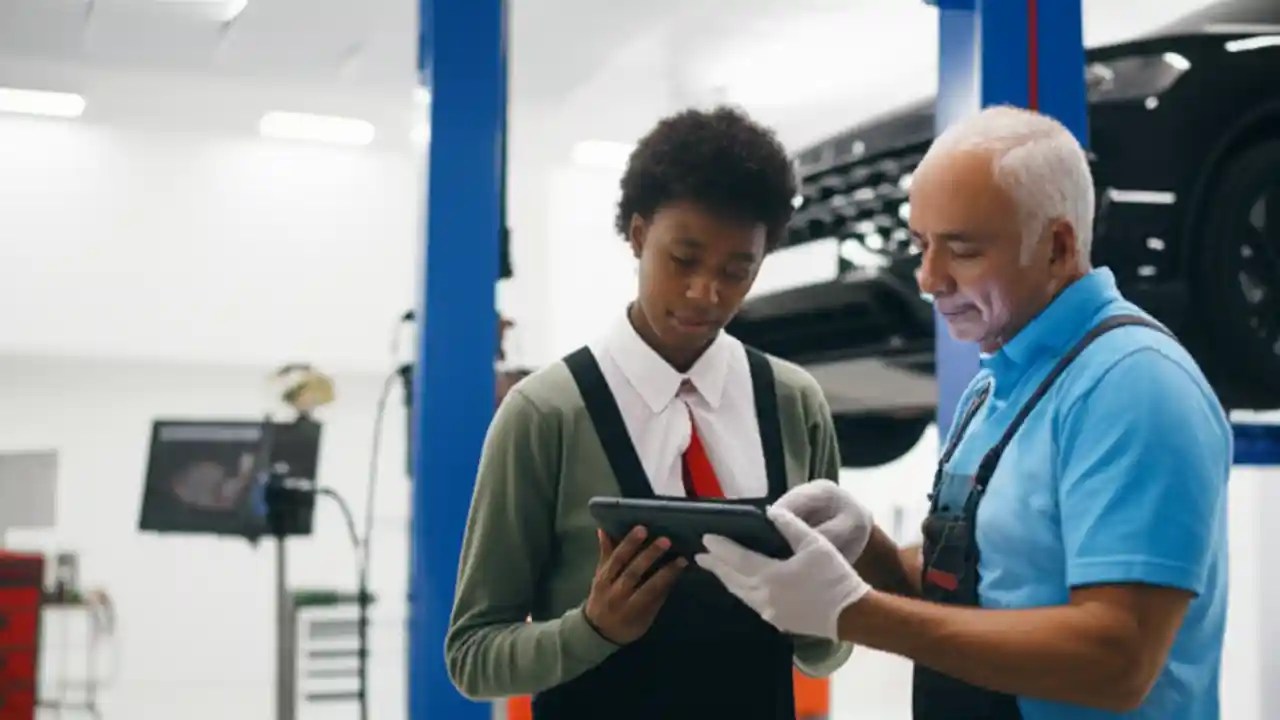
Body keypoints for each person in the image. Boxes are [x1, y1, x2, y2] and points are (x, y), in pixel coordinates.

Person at [695, 105, 1232, 720]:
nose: (928, 278)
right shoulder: (994, 384)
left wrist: (853, 613)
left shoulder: (1131, 385)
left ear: (1057, 247)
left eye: (963, 251)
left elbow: (1117, 660)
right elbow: (983, 586)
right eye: (921, 245)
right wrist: (863, 548)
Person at [445, 106, 854, 719]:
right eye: (682, 260)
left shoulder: (794, 405)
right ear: (637, 236)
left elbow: (823, 654)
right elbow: (472, 655)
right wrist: (592, 629)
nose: (705, 293)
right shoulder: (546, 414)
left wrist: (822, 614)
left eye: (735, 271)